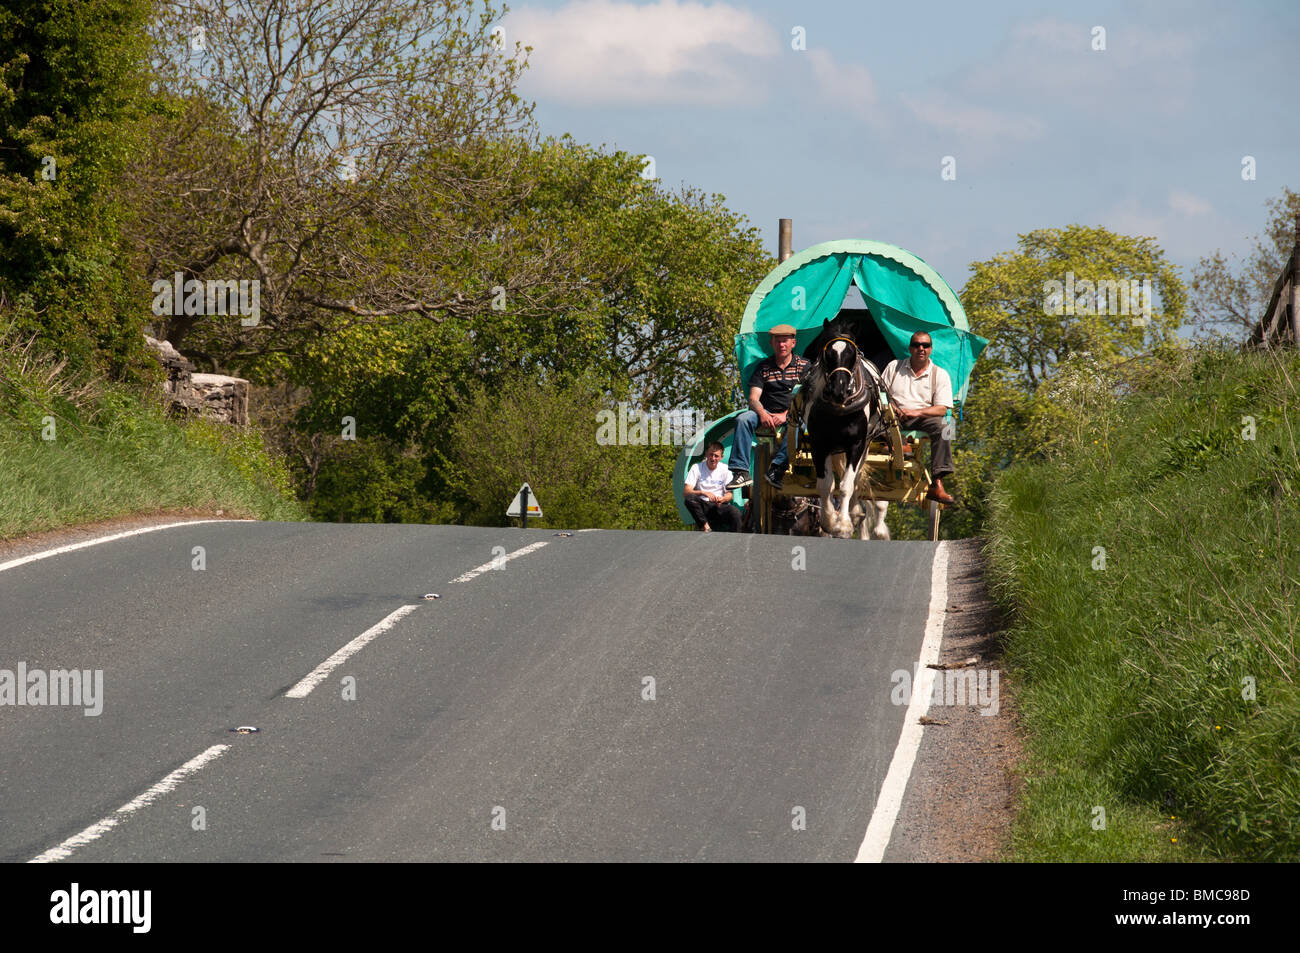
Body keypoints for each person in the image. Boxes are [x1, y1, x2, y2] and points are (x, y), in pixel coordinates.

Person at [726, 324, 809, 491]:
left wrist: (786, 415)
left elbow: (807, 398)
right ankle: (741, 471)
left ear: (793, 343)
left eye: (785, 341)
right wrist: (763, 414)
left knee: (800, 422)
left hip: (794, 413)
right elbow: (753, 398)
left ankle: (776, 469)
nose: (781, 345)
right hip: (767, 412)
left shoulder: (805, 366)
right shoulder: (764, 368)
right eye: (777, 341)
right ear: (772, 343)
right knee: (743, 419)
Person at [881, 331, 957, 504]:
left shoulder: (940, 374)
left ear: (931, 349)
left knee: (946, 427)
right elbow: (881, 395)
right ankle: (898, 442)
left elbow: (941, 408)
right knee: (877, 415)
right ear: (910, 348)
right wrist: (893, 408)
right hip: (892, 416)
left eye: (925, 345)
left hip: (921, 416)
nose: (920, 349)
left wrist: (916, 412)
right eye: (916, 345)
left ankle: (937, 483)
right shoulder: (894, 367)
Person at [683, 440, 741, 532]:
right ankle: (706, 527)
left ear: (721, 457)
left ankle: (735, 539)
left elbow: (729, 495)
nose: (713, 458)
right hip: (703, 505)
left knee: (735, 513)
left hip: (718, 506)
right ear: (706, 454)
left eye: (716, 456)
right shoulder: (696, 468)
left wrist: (722, 499)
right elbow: (686, 492)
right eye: (711, 455)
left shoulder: (726, 470)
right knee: (690, 499)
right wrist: (703, 492)